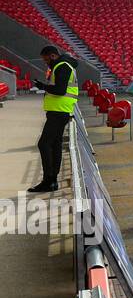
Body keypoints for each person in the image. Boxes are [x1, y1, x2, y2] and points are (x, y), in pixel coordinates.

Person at [29, 46, 79, 193]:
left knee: (43, 143)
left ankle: (48, 180)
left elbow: (59, 90)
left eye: (46, 59)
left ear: (52, 55)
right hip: (59, 110)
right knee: (55, 144)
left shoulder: (62, 66)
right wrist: (43, 86)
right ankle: (52, 181)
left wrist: (44, 86)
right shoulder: (61, 65)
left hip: (59, 110)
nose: (45, 63)